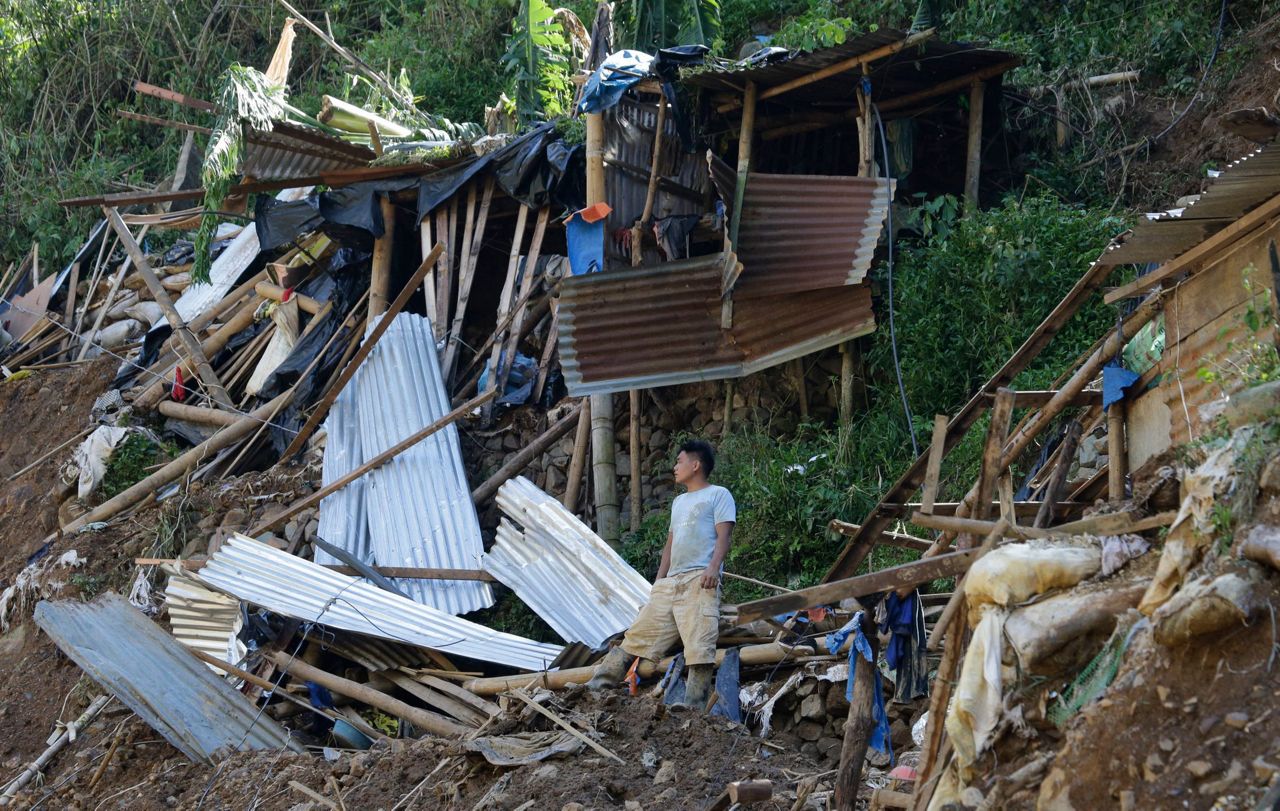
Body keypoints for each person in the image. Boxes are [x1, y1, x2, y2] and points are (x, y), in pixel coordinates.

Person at [586, 439, 736, 708]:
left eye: (679, 461)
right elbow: (670, 543)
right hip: (671, 583)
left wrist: (713, 568)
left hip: (699, 579)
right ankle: (595, 690)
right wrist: (659, 581)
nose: (674, 467)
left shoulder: (719, 494)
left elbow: (724, 535)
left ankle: (692, 708)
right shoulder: (678, 502)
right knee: (637, 636)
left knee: (699, 644)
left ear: (696, 464)